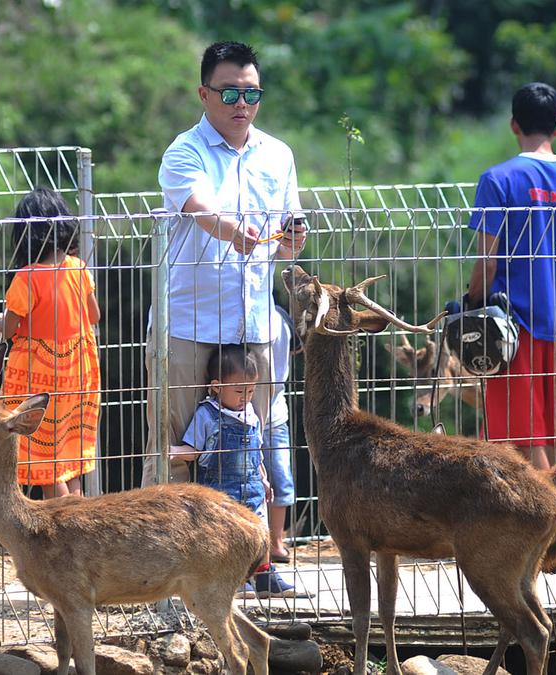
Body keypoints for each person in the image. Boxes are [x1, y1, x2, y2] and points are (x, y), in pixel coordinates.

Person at [143, 40, 308, 487]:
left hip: (253, 325)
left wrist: (293, 237)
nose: (242, 104)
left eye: (251, 93)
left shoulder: (279, 156)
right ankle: (163, 552)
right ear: (204, 95)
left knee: (250, 448)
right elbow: (200, 208)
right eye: (229, 92)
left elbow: (286, 236)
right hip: (187, 326)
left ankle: (250, 551)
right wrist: (234, 232)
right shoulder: (184, 152)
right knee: (176, 450)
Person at [465, 82, 556, 470]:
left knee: (523, 440)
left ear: (513, 125)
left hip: (513, 328)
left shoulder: (498, 180)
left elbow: (487, 262)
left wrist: (472, 306)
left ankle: (548, 524)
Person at [0, 188, 101, 498]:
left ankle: (65, 532)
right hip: (78, 372)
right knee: (69, 451)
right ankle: (79, 514)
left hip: (37, 376)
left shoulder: (26, 278)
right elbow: (94, 315)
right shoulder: (78, 269)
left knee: (42, 455)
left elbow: (10, 330)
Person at [171, 344, 301, 598]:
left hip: (252, 485)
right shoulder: (207, 415)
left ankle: (265, 574)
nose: (246, 397)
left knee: (260, 530)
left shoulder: (250, 412)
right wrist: (173, 451)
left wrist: (263, 478)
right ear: (217, 386)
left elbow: (257, 450)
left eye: (251, 391)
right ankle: (235, 578)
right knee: (227, 532)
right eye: (240, 391)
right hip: (221, 488)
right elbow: (194, 449)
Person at [263, 304, 296, 562]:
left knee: (280, 482)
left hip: (274, 415)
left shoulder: (279, 319)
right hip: (246, 415)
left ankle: (276, 541)